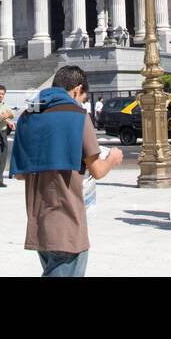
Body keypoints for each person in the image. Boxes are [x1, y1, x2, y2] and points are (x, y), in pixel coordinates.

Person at [10, 65, 124, 276]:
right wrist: (113, 158)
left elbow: (19, 174)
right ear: (76, 89)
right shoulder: (78, 116)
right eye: (82, 97)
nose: (80, 102)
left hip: (40, 223)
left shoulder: (27, 116)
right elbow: (97, 170)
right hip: (68, 221)